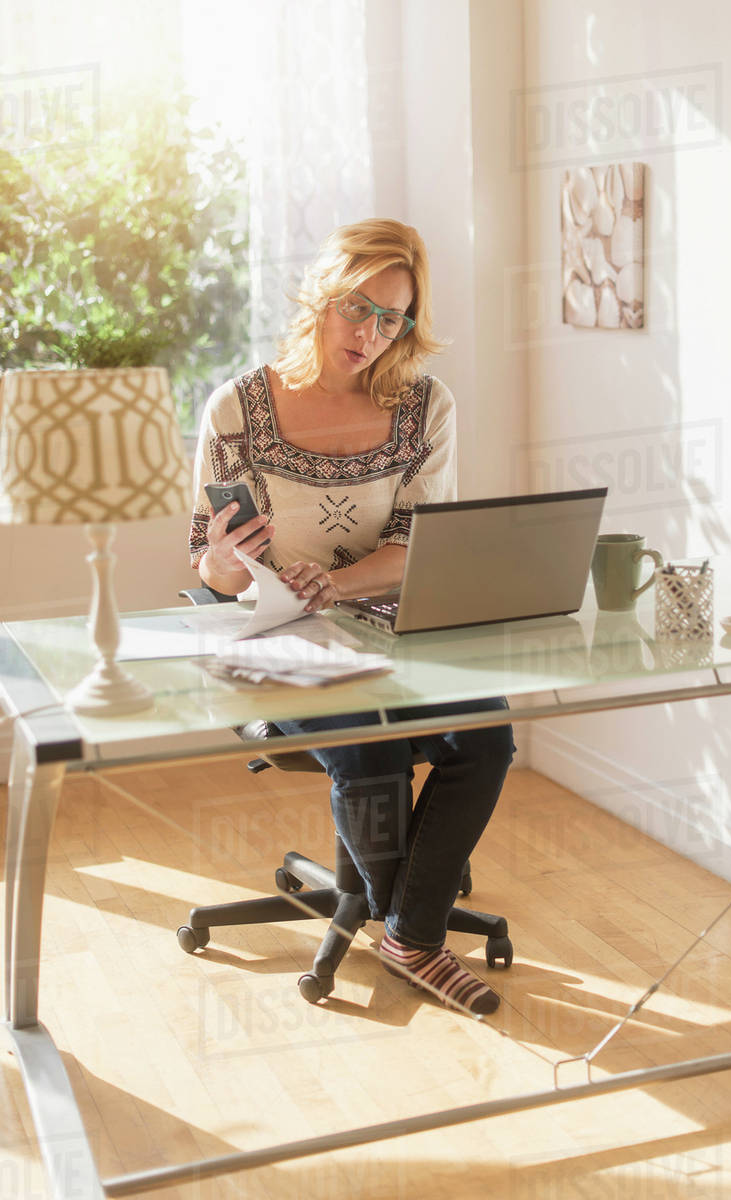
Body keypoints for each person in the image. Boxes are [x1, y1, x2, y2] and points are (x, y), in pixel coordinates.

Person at [190, 218, 515, 1014]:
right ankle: (416, 932)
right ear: (321, 298)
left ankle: (402, 924)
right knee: (368, 748)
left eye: (391, 317)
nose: (369, 333)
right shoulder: (237, 407)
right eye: (356, 307)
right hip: (275, 637)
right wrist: (233, 560)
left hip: (391, 624)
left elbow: (416, 544)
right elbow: (208, 562)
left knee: (486, 734)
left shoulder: (424, 406)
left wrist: (337, 585)